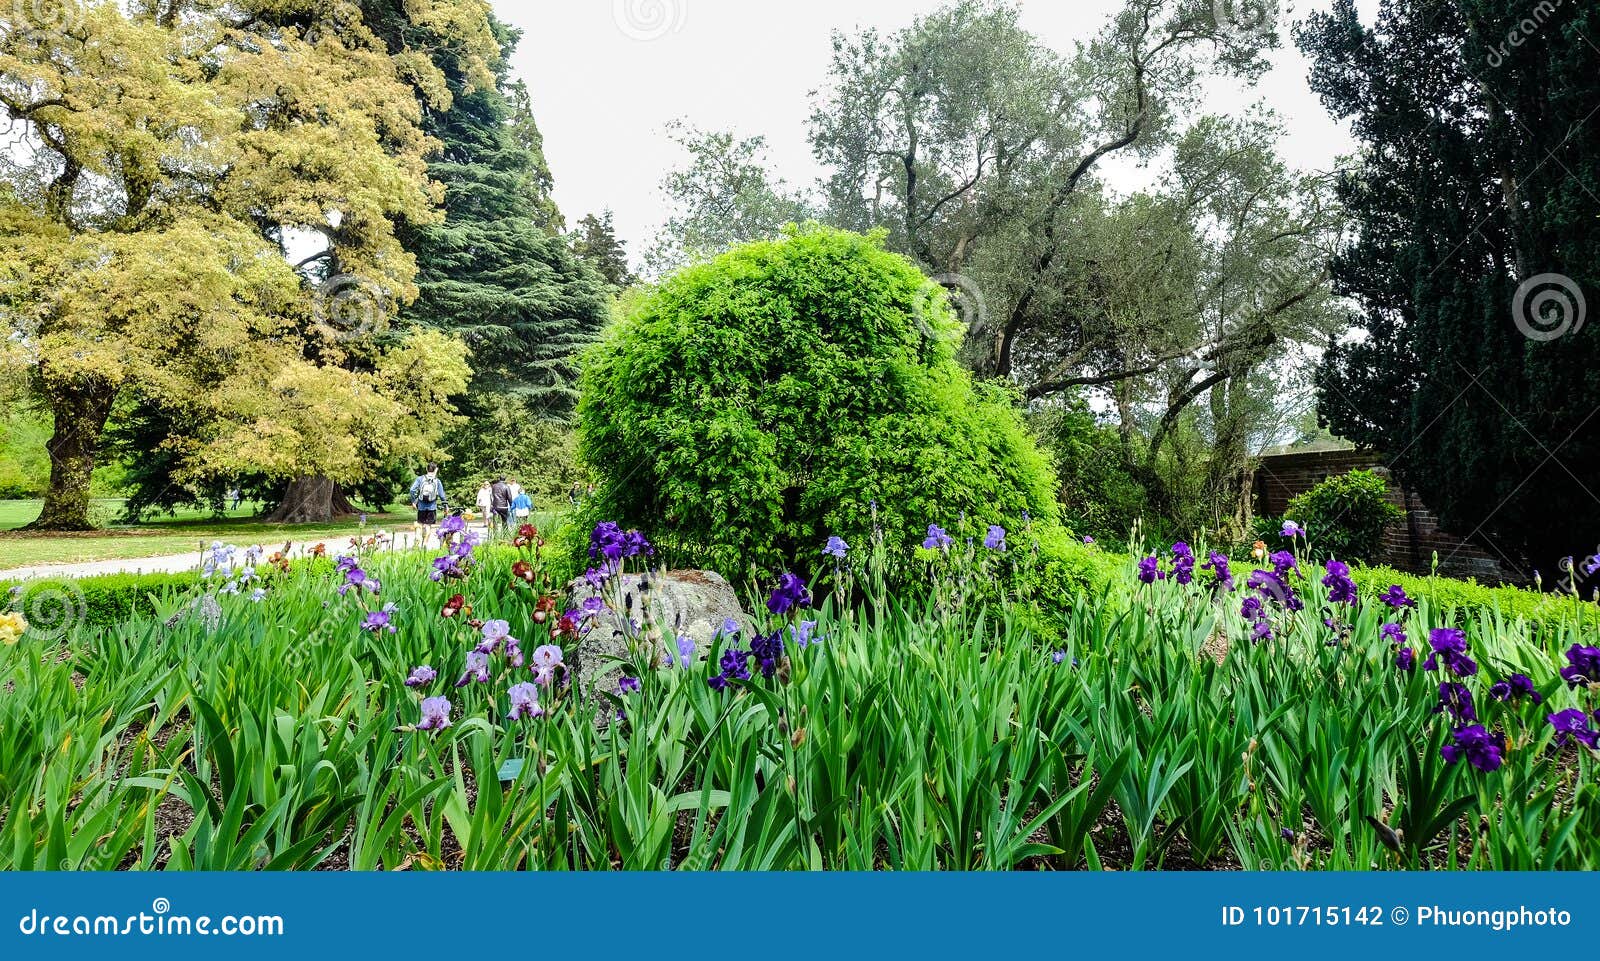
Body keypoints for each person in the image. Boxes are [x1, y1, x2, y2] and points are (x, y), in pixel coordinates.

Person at [409, 463, 448, 547]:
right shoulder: (437, 481)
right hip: (432, 507)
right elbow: (442, 495)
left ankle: (418, 544)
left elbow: (412, 490)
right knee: (428, 526)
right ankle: (425, 545)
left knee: (419, 524)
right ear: (435, 470)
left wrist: (413, 501)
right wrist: (446, 507)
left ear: (426, 469)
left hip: (421, 506)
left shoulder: (420, 479)